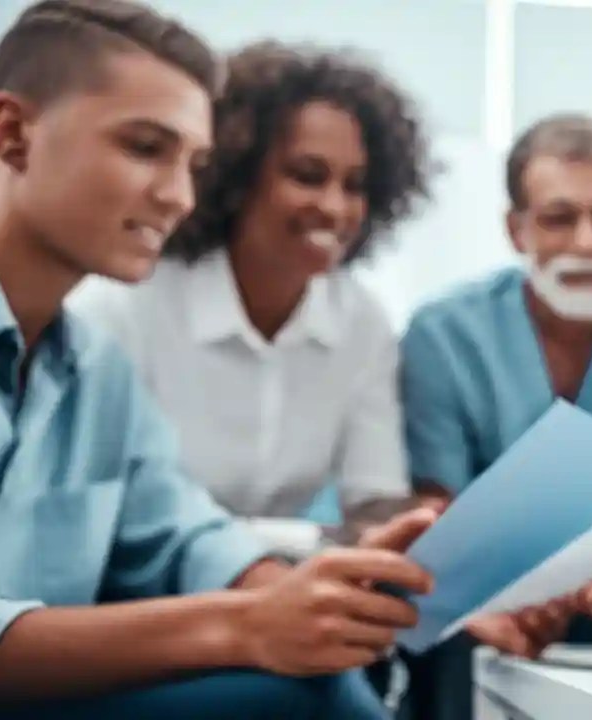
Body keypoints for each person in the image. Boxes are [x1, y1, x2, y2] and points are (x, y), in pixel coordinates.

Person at [0, 1, 439, 718]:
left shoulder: (93, 370)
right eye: (145, 147)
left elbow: (181, 536)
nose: (177, 195)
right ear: (14, 134)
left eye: (193, 163)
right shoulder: (128, 321)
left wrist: (319, 600)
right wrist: (247, 626)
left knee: (320, 684)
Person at [397, 113, 592, 720]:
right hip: (483, 603)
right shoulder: (445, 333)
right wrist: (517, 588)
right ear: (517, 230)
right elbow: (434, 505)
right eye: (560, 219)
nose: (588, 243)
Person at [68, 40, 434, 553]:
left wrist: (401, 534)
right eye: (307, 176)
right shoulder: (124, 305)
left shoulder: (361, 322)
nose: (335, 207)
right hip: (136, 595)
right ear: (236, 175)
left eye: (355, 185)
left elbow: (374, 500)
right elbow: (111, 515)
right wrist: (310, 541)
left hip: (276, 593)